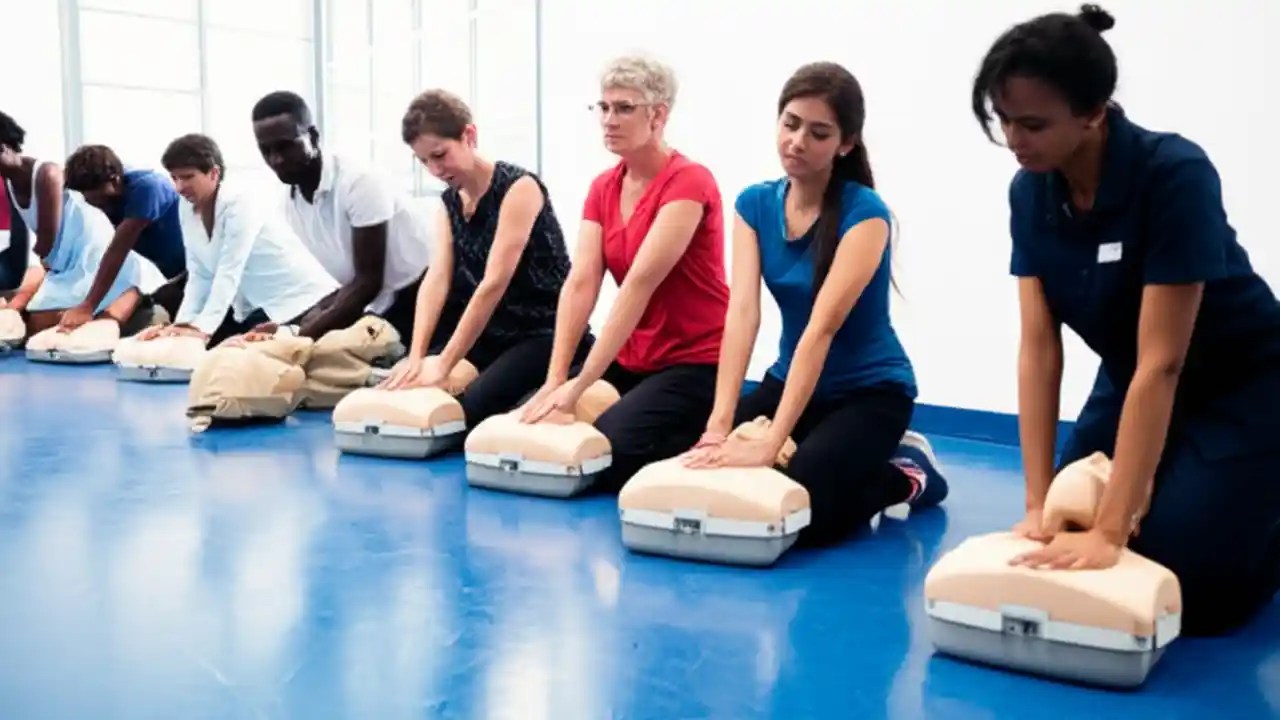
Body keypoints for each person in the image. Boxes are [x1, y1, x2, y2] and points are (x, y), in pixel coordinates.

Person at [975, 4, 1280, 634]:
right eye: (1003, 120)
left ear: (1093, 113)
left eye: (1032, 123)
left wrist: (1114, 531)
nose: (1014, 139)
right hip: (1130, 375)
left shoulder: (1174, 174)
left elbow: (1164, 362)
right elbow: (1040, 349)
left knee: (1190, 585)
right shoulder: (1030, 191)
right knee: (1067, 516)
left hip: (1242, 383)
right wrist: (1035, 503)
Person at [679, 62, 949, 546]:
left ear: (845, 143)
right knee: (703, 462)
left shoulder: (866, 214)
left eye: (818, 132)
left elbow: (821, 329)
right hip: (791, 380)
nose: (797, 142)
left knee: (809, 507)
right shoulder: (754, 205)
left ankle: (908, 472)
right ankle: (811, 442)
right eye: (790, 124)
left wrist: (770, 440)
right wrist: (719, 425)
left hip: (869, 391)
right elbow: (742, 313)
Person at [520, 55, 729, 492]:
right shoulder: (603, 187)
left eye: (624, 108)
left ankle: (725, 429)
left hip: (696, 361)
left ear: (658, 115)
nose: (609, 120)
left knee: (609, 451)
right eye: (605, 107)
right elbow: (581, 283)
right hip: (633, 356)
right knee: (532, 421)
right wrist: (556, 380)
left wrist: (578, 389)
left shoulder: (689, 182)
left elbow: (638, 285)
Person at [382, 89, 585, 430]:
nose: (435, 169)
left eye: (440, 155)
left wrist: (445, 362)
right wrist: (417, 356)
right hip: (491, 333)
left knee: (470, 408)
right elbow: (437, 279)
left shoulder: (518, 187)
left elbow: (494, 282)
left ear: (469, 136)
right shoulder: (448, 204)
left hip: (542, 332)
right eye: (424, 161)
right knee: (409, 384)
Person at [250, 90, 432, 341]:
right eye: (266, 150)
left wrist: (299, 337)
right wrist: (288, 329)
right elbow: (347, 287)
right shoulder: (289, 204)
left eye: (285, 146)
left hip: (426, 295)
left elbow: (368, 283)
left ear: (312, 136)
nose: (276, 159)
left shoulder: (359, 182)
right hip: (382, 304)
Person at [138, 133, 340, 347]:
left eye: (187, 177)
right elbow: (200, 274)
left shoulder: (240, 201)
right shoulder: (186, 206)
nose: (179, 187)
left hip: (307, 304)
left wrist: (202, 330)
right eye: (174, 178)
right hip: (261, 310)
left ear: (214, 173)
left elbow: (229, 270)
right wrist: (182, 326)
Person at [0, 110, 164, 335]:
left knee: (67, 321)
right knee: (39, 320)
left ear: (3, 147)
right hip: (61, 261)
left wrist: (37, 278)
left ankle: (130, 303)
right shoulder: (9, 183)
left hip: (86, 252)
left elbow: (47, 243)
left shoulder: (47, 173)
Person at [61, 144, 188, 327]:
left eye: (99, 198)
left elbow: (118, 249)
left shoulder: (148, 188)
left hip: (189, 274)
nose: (95, 203)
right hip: (162, 278)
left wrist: (88, 305)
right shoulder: (106, 195)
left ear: (114, 180)